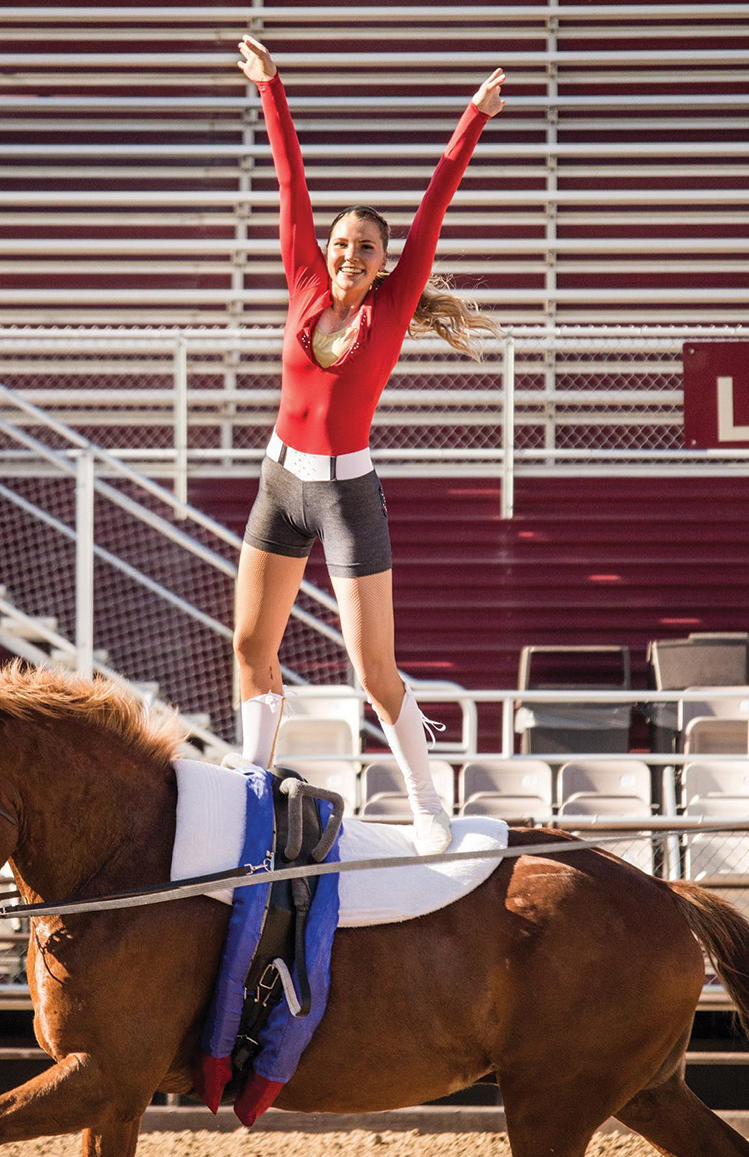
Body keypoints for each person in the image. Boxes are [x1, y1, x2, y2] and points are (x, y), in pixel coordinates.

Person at [232, 36, 505, 854]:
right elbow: (290, 180)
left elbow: (437, 200)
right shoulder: (307, 283)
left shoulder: (388, 308)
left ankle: (428, 805)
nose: (349, 254)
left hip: (347, 496)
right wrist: (271, 88)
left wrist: (472, 120)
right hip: (280, 484)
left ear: (387, 266)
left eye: (366, 249)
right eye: (342, 243)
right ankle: (253, 792)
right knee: (251, 646)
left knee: (372, 672)